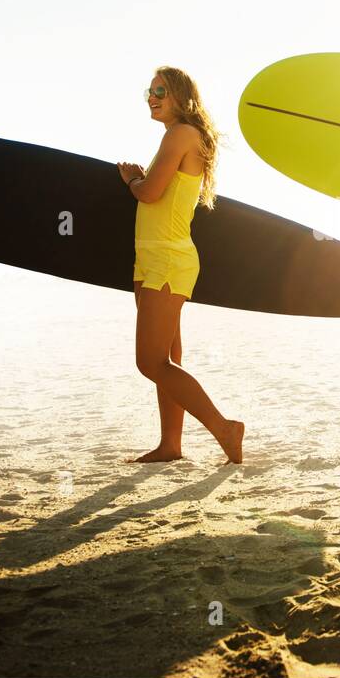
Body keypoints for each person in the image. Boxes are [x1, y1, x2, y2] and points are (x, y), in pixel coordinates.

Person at [117, 66, 245, 464]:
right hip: (154, 256)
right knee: (166, 358)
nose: (152, 97)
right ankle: (171, 444)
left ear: (180, 96)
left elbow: (151, 193)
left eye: (160, 91)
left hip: (168, 259)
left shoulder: (180, 135)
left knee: (150, 361)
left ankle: (225, 427)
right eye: (149, 92)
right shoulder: (180, 136)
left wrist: (132, 181)